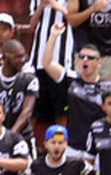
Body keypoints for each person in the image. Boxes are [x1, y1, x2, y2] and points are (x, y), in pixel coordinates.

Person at [43, 22, 111, 160]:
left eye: (90, 58)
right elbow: (47, 64)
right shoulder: (71, 79)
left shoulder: (108, 87)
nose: (85, 60)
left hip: (98, 147)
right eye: (82, 57)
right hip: (73, 147)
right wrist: (53, 36)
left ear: (98, 63)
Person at [27, 0, 72, 137]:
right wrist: (41, 6)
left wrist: (56, 6)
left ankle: (62, 142)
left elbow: (76, 20)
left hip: (62, 61)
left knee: (61, 110)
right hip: (38, 59)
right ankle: (28, 143)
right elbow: (31, 26)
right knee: (34, 111)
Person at [68, 0, 111, 92]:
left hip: (108, 55)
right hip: (85, 56)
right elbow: (72, 20)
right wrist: (92, 9)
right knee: (82, 96)